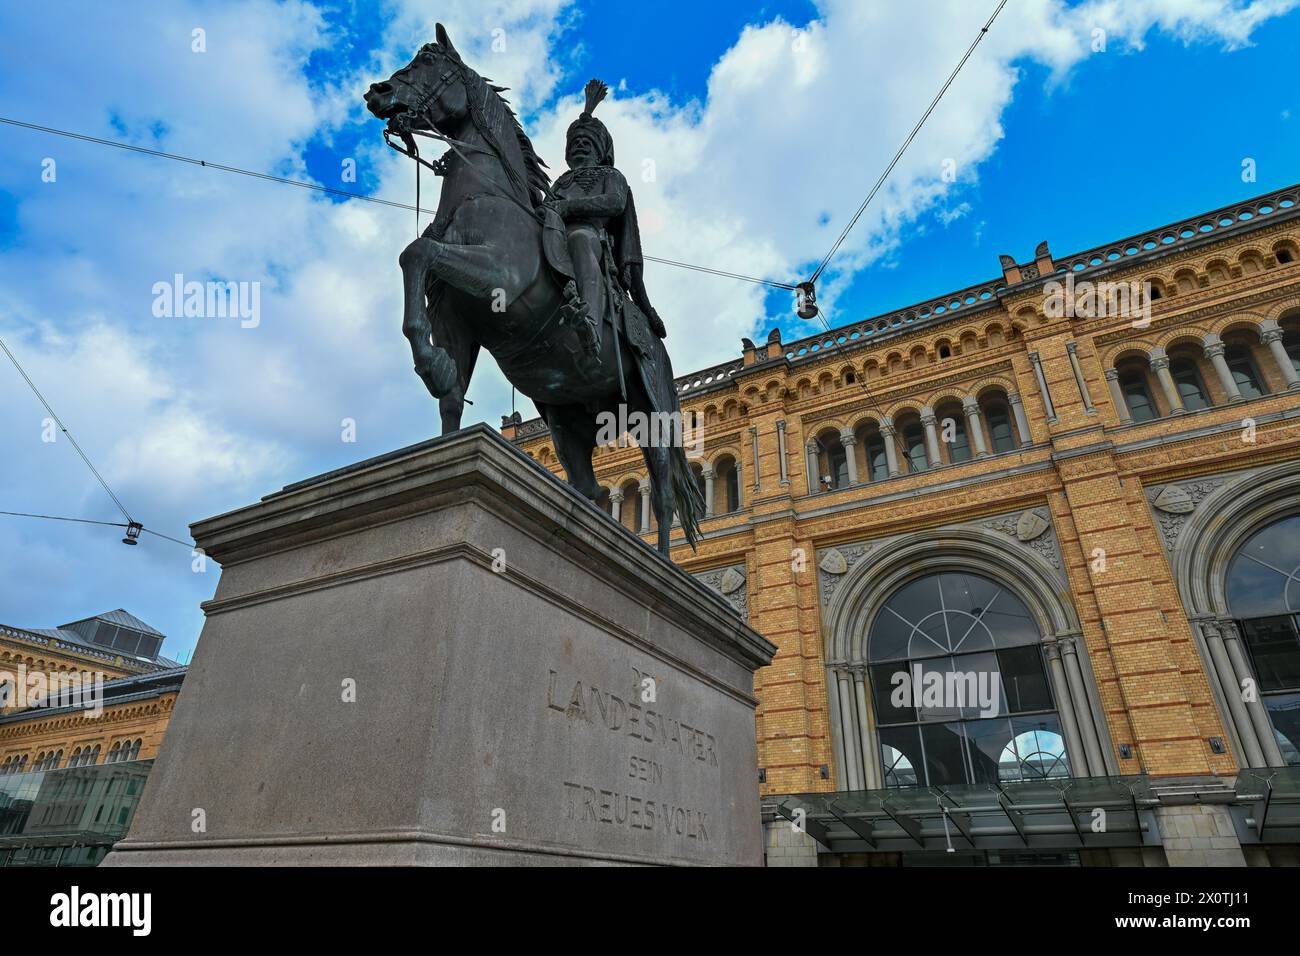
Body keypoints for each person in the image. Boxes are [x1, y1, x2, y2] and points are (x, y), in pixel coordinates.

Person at [546, 79, 665, 355]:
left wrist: (567, 209)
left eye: (587, 142)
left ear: (600, 151)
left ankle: (590, 322)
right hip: (552, 235)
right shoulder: (560, 182)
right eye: (575, 143)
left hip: (591, 238)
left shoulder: (611, 176)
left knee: (579, 238)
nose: (579, 146)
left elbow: (613, 202)